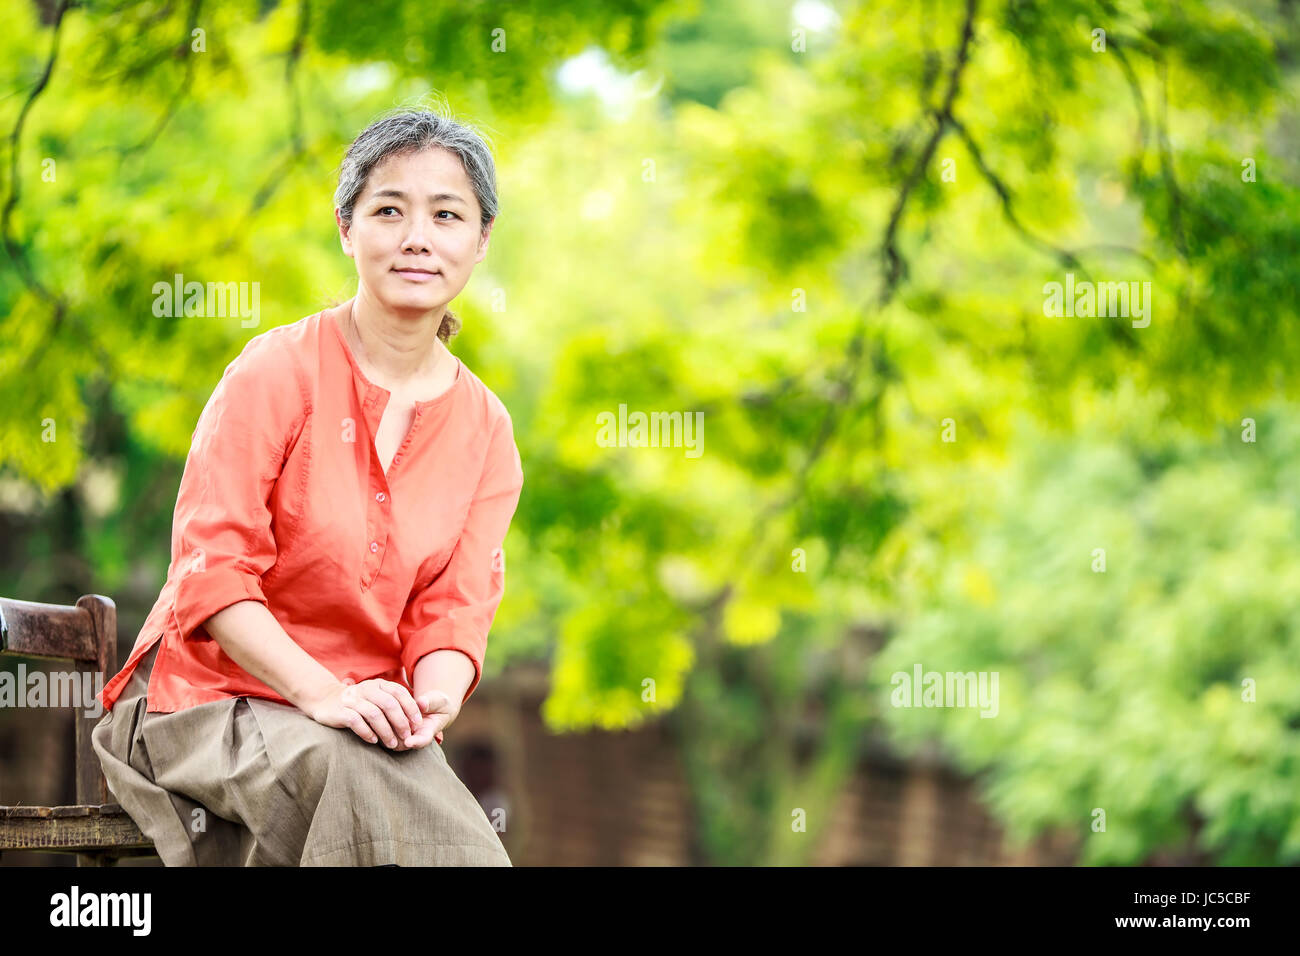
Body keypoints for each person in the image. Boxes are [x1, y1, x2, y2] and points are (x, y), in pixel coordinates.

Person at [91, 106, 523, 866]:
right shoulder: (275, 372)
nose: (417, 236)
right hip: (207, 702)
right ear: (347, 227)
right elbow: (213, 576)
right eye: (389, 209)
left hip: (358, 724)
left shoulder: (486, 430)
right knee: (349, 780)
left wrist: (427, 707)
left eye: (446, 215)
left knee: (445, 825)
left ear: (480, 239)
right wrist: (324, 694)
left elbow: (453, 615)